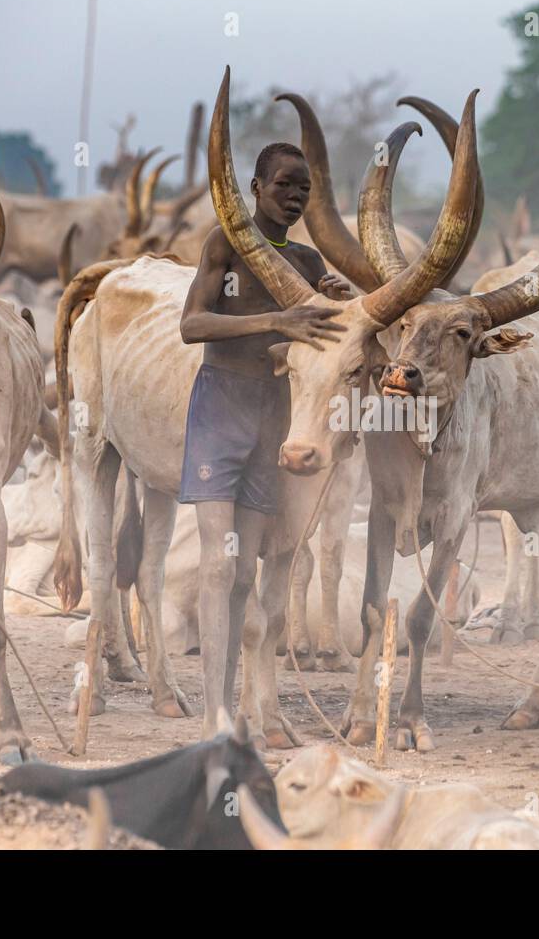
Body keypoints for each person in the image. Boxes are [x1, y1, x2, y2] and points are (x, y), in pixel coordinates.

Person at [179, 141, 350, 737]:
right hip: (220, 404)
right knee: (217, 565)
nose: (294, 196)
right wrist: (275, 319)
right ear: (254, 187)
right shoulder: (226, 241)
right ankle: (213, 717)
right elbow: (191, 325)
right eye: (282, 184)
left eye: (303, 188)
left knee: (247, 571)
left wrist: (334, 306)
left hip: (273, 414)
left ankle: (246, 709)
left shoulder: (305, 263)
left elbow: (314, 342)